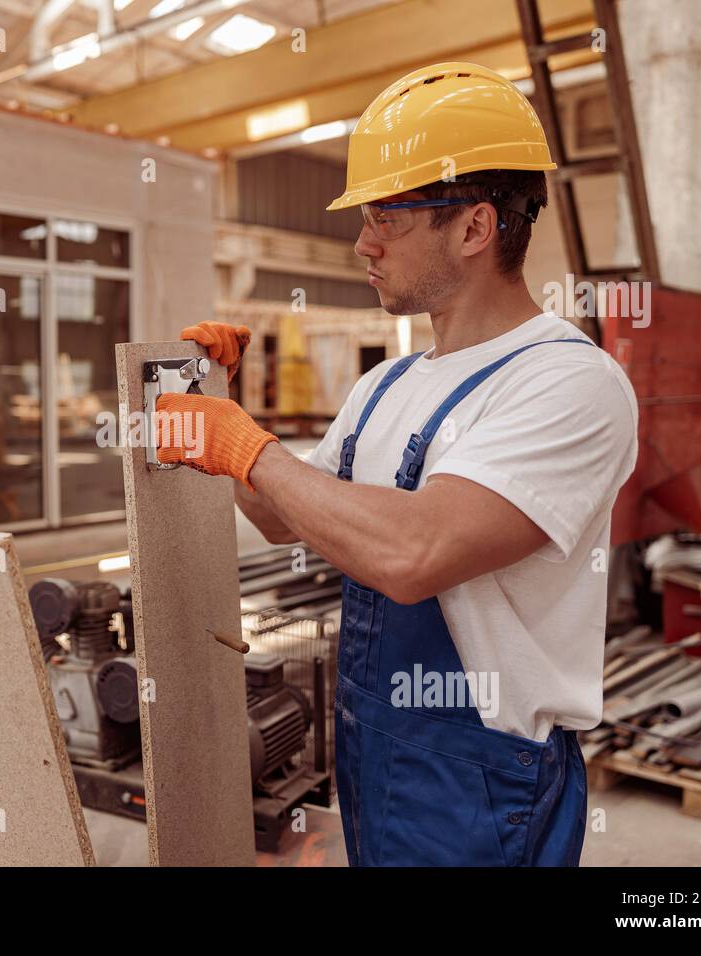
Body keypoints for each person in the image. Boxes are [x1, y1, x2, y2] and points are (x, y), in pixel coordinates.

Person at [157, 61, 638, 866]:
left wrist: (246, 445)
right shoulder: (388, 383)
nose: (362, 244)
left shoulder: (571, 382)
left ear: (475, 228)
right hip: (373, 742)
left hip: (479, 776)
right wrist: (227, 411)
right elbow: (282, 516)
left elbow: (416, 554)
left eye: (384, 216)